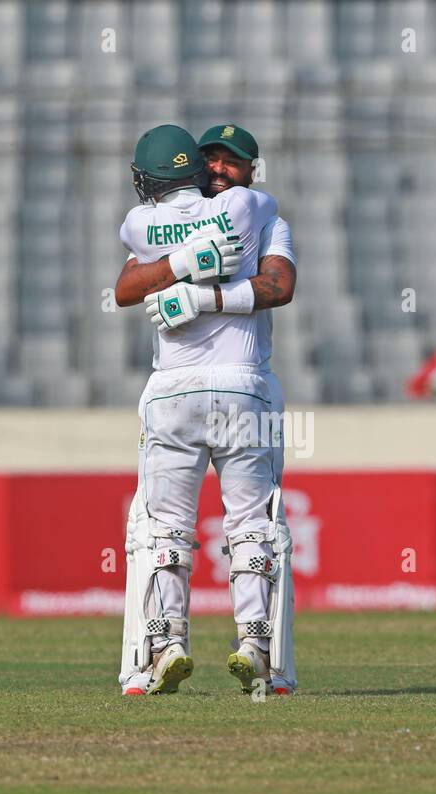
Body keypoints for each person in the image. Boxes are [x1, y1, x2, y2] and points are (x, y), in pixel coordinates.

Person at [113, 124, 298, 693]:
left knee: (165, 526)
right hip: (241, 388)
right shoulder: (252, 209)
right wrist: (186, 262)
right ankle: (249, 647)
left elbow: (280, 286)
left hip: (179, 389)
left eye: (232, 162)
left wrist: (199, 293)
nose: (220, 170)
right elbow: (128, 287)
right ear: (194, 167)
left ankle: (171, 646)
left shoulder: (157, 222)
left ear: (250, 167)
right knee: (252, 527)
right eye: (210, 160)